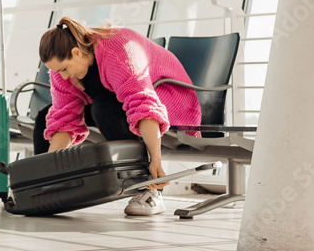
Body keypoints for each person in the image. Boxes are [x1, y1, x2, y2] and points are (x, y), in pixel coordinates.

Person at [37, 17, 201, 216]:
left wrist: (155, 161)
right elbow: (64, 119)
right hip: (119, 104)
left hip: (171, 100)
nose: (62, 76)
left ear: (76, 53)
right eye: (57, 71)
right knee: (44, 116)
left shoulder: (118, 49)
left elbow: (144, 105)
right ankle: (42, 191)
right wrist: (45, 173)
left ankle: (148, 191)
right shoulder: (62, 72)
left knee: (103, 108)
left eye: (64, 69)